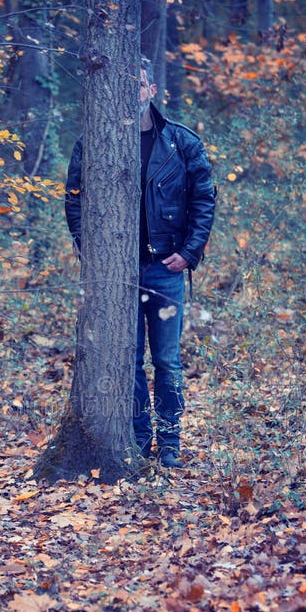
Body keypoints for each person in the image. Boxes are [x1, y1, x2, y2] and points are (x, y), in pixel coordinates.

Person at [64, 57, 215, 467]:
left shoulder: (182, 142)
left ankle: (170, 443)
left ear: (151, 90)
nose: (132, 91)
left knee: (166, 360)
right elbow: (74, 200)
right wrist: (91, 250)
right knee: (127, 359)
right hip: (119, 273)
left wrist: (189, 252)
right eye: (125, 84)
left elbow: (204, 199)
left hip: (166, 270)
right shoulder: (96, 141)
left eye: (139, 84)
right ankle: (139, 440)